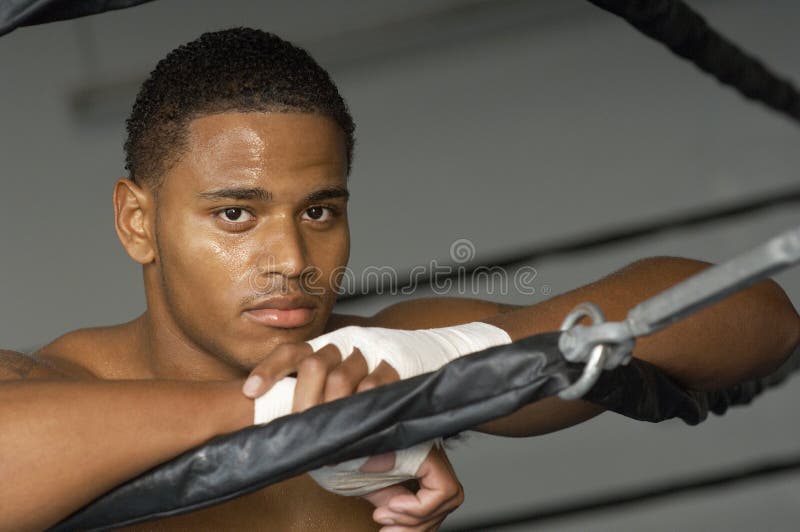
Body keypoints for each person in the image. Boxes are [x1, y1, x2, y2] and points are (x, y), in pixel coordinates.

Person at [1, 27, 798, 532]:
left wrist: (419, 370)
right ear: (138, 222)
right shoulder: (47, 387)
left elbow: (762, 317)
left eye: (318, 212)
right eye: (236, 215)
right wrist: (317, 417)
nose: (289, 260)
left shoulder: (391, 355)